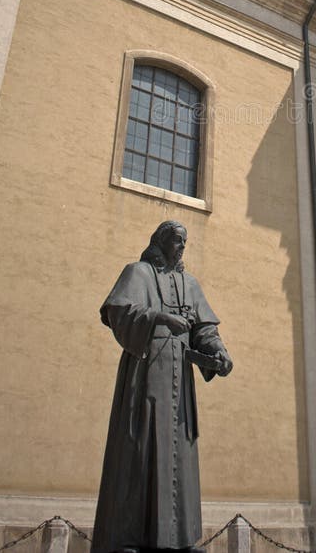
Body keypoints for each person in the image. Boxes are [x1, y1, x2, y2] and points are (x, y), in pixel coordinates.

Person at [91, 221, 233, 553]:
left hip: (180, 385)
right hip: (145, 378)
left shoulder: (190, 283)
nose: (182, 246)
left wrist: (219, 353)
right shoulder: (137, 273)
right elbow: (119, 311)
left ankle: (179, 540)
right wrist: (160, 318)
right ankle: (129, 538)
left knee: (179, 456)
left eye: (185, 241)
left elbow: (205, 329)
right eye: (176, 240)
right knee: (140, 451)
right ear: (161, 241)